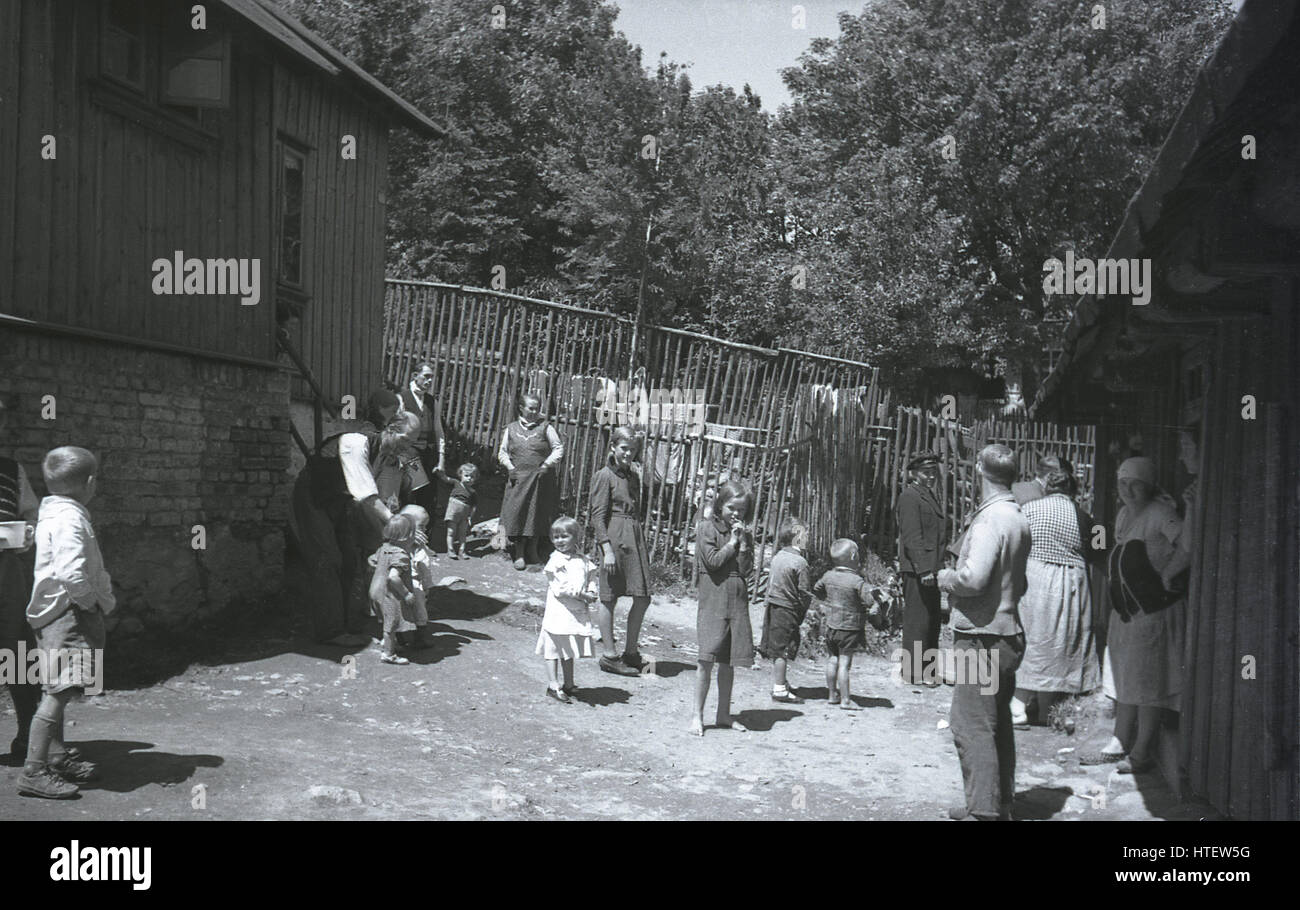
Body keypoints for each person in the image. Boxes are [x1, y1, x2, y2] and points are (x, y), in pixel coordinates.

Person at [937, 444, 1031, 821]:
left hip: (981, 636)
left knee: (970, 724)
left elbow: (973, 578)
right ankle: (997, 804)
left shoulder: (991, 519)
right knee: (997, 724)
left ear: (979, 469)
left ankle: (982, 813)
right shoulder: (1017, 515)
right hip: (1006, 633)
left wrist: (947, 579)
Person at [19, 447, 115, 799]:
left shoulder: (54, 513)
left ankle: (55, 757)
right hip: (69, 614)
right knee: (59, 693)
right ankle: (34, 771)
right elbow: (72, 572)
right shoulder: (70, 520)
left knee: (57, 688)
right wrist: (90, 603)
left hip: (55, 613)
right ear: (90, 482)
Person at [1082, 457, 1185, 774]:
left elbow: (1187, 544)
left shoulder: (1161, 514)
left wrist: (1170, 573)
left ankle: (1140, 752)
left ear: (1150, 484)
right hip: (1127, 614)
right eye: (1122, 482)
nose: (1127, 489)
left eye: (1135, 483)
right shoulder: (1126, 513)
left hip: (1152, 613)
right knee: (1124, 678)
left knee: (1148, 682)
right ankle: (1119, 741)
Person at [290, 390, 403, 646]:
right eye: (402, 438)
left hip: (339, 501)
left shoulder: (384, 453)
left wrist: (386, 537)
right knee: (327, 559)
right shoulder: (357, 441)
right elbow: (366, 495)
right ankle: (330, 631)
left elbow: (374, 501)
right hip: (313, 495)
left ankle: (352, 621)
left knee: (350, 557)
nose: (404, 447)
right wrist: (397, 526)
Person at [1014, 458, 1100, 726]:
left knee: (1033, 641)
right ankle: (1044, 707)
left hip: (1034, 580)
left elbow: (1017, 540)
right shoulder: (1082, 516)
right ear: (1072, 490)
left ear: (1048, 487)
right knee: (1058, 645)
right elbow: (1100, 547)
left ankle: (1018, 705)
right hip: (1067, 585)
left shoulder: (1029, 509)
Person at [691, 480, 755, 736]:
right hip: (714, 599)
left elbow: (746, 570)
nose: (736, 514)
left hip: (737, 601)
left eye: (741, 509)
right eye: (731, 508)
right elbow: (714, 561)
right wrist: (732, 543)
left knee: (728, 662)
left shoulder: (743, 534)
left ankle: (723, 714)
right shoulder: (708, 528)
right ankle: (697, 715)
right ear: (720, 505)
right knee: (706, 659)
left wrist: (744, 544)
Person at [590, 426, 653, 677]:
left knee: (643, 595)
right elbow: (597, 516)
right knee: (609, 596)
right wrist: (607, 549)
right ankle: (609, 655)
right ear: (613, 448)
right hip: (614, 539)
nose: (628, 453)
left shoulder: (633, 477)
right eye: (624, 448)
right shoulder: (604, 476)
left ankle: (631, 652)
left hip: (633, 537)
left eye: (633, 449)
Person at [0, 394, 40, 765]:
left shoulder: (11, 469)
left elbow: (31, 514)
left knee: (17, 649)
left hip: (5, 570)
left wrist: (27, 533)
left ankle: (29, 731)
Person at [896, 452, 948, 686]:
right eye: (926, 472)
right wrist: (924, 569)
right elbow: (912, 536)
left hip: (931, 568)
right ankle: (912, 671)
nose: (931, 477)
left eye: (933, 472)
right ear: (914, 474)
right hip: (919, 570)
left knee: (931, 620)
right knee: (918, 621)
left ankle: (928, 670)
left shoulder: (928, 496)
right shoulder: (910, 497)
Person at [536, 516, 600, 703]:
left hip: (575, 611)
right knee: (553, 646)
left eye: (564, 536)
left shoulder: (582, 559)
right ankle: (553, 684)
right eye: (556, 537)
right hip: (559, 611)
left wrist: (592, 590)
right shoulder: (555, 561)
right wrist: (582, 595)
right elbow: (560, 588)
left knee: (568, 646)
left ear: (576, 537)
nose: (559, 541)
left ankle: (569, 683)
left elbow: (592, 576)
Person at [497, 392, 564, 569]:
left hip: (538, 478)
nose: (535, 412)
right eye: (531, 408)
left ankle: (533, 550)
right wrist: (510, 468)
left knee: (536, 514)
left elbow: (558, 448)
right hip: (517, 477)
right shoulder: (511, 428)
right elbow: (502, 452)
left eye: (537, 408)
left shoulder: (546, 428)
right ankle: (519, 552)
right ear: (521, 408)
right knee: (517, 512)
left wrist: (547, 464)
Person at [814, 538, 882, 709]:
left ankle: (831, 694)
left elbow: (816, 589)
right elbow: (868, 601)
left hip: (831, 625)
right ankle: (845, 700)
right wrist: (876, 603)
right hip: (849, 628)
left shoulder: (828, 576)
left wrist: (827, 601)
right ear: (853, 556)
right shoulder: (856, 581)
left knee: (832, 660)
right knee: (845, 663)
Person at [758, 516, 812, 704]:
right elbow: (804, 592)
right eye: (805, 535)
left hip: (773, 606)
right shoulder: (800, 562)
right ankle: (779, 689)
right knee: (783, 650)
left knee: (776, 646)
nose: (808, 539)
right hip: (788, 608)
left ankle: (781, 681)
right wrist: (801, 613)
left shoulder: (778, 557)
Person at [367, 513, 420, 665]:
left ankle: (389, 643)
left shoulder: (384, 548)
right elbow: (393, 577)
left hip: (375, 591)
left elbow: (371, 560)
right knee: (391, 624)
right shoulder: (401, 555)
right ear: (407, 537)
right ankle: (389, 654)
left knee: (386, 619)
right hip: (389, 594)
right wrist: (406, 593)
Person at [398, 361, 448, 522]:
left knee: (429, 498)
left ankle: (426, 541)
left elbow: (439, 431)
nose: (429, 381)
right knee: (409, 496)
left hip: (429, 456)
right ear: (414, 376)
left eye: (431, 378)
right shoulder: (402, 398)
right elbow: (396, 429)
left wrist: (441, 460)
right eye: (426, 376)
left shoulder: (432, 401)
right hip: (409, 454)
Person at [398, 504, 436, 650]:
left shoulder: (394, 542)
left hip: (396, 585)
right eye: (422, 526)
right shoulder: (419, 548)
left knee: (399, 611)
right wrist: (427, 586)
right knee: (420, 612)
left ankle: (398, 639)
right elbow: (423, 568)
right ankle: (420, 638)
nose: (425, 530)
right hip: (414, 585)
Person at [444, 463, 478, 559]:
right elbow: (445, 478)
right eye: (466, 476)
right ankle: (450, 550)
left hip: (465, 514)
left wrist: (470, 516)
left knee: (463, 533)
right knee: (451, 531)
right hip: (453, 511)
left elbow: (474, 506)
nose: (469, 478)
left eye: (472, 477)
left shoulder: (472, 492)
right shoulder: (456, 483)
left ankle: (462, 551)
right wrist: (440, 471)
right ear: (460, 475)